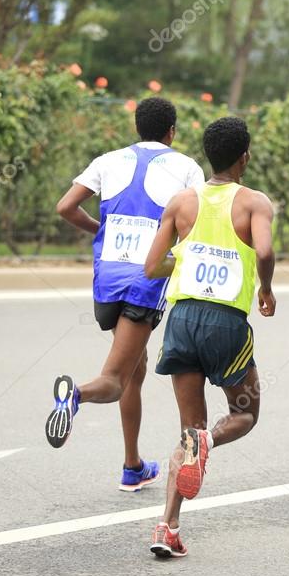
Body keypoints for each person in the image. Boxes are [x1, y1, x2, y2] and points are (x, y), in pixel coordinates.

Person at [46, 97, 205, 494]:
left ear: (137, 128)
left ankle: (132, 466)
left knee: (136, 367)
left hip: (106, 279)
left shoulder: (107, 160)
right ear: (172, 131)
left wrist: (101, 229)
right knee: (115, 379)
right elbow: (196, 225)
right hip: (144, 282)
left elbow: (65, 206)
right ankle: (75, 396)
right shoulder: (187, 167)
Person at [143, 116, 275, 558]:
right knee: (246, 412)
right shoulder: (254, 203)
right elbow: (266, 250)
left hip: (181, 320)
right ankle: (210, 442)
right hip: (225, 325)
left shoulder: (182, 201)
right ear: (244, 157)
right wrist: (266, 289)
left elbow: (152, 266)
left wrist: (183, 264)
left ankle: (166, 527)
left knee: (188, 429)